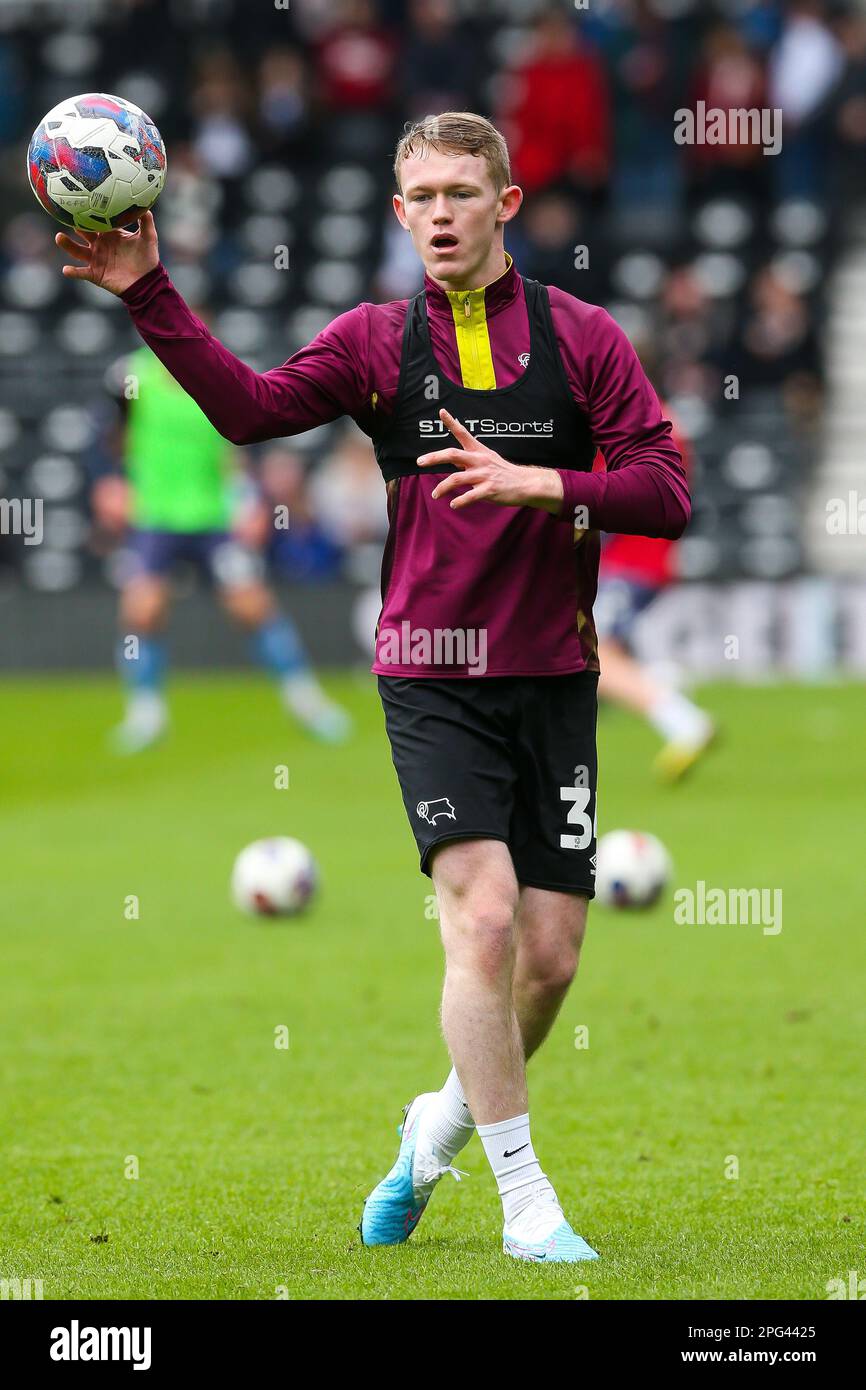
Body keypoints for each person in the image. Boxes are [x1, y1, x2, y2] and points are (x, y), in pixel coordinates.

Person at [54, 112, 690, 1264]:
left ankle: (434, 1125)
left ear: (505, 204)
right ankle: (524, 1201)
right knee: (483, 921)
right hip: (428, 672)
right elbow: (248, 412)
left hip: (552, 676)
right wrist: (149, 293)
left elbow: (665, 489)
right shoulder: (372, 340)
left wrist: (538, 481)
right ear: (398, 216)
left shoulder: (582, 337)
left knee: (548, 959)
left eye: (461, 191)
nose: (439, 213)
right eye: (420, 197)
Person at [93, 335, 351, 752]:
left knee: (252, 605)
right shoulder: (129, 376)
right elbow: (110, 436)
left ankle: (305, 701)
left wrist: (247, 501)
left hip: (214, 516)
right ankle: (145, 714)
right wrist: (110, 482)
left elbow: (238, 446)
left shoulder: (217, 375)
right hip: (155, 515)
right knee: (142, 609)